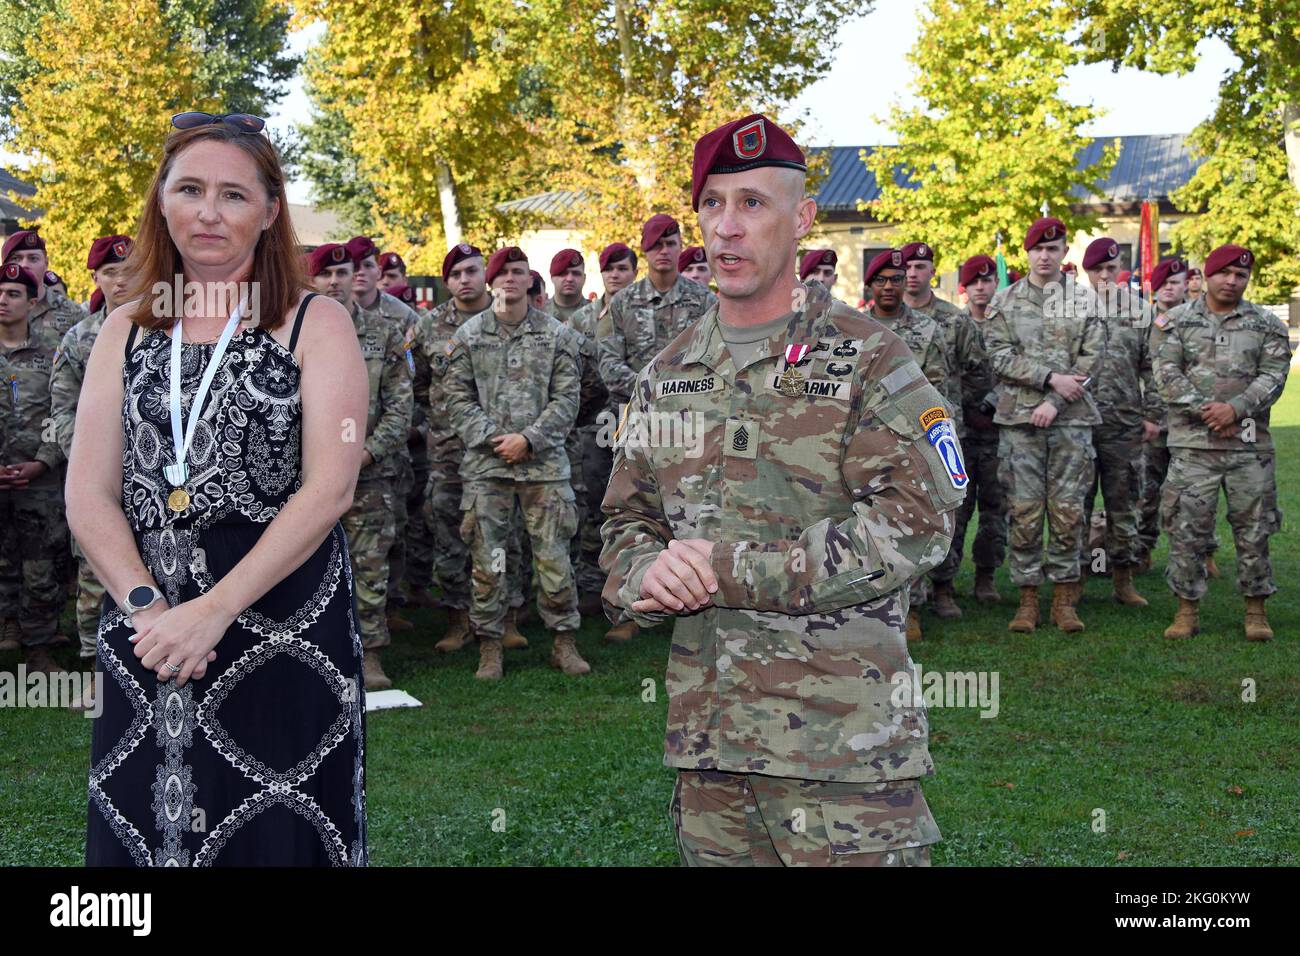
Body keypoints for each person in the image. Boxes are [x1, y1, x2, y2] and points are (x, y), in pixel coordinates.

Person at [603, 114, 962, 867]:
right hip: (712, 753)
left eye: (753, 204)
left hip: (843, 753)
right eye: (713, 205)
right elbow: (625, 522)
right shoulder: (669, 373)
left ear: (801, 219)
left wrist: (732, 570)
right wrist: (644, 573)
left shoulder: (868, 359)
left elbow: (918, 521)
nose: (726, 230)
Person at [71, 111, 368, 866]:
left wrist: (213, 611)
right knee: (144, 827)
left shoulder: (316, 321)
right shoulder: (124, 328)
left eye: (234, 196)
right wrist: (148, 609)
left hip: (280, 611)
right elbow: (88, 491)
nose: (208, 212)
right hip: (146, 617)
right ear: (160, 200)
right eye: (190, 189)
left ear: (270, 213)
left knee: (274, 832)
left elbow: (330, 488)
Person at [443, 246, 587, 680]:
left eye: (518, 272)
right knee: (491, 561)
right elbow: (456, 397)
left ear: (530, 280)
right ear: (492, 281)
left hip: (543, 468)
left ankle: (563, 641)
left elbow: (568, 398)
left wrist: (530, 439)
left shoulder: (557, 335)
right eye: (502, 272)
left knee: (554, 559)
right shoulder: (468, 336)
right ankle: (490, 646)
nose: (509, 278)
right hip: (488, 470)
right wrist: (494, 440)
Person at [1153, 244, 1289, 641]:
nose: (1232, 281)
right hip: (1194, 448)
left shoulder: (1266, 324)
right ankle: (1186, 610)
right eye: (1224, 273)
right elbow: (1165, 374)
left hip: (1249, 448)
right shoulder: (1173, 322)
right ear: (1207, 276)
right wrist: (1208, 412)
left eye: (1241, 275)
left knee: (1255, 529)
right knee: (1186, 530)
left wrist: (1236, 410)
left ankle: (1256, 610)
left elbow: (1274, 376)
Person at [983, 217, 1105, 634]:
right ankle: (1028, 598)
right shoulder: (1005, 301)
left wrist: (1055, 400)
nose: (1045, 255)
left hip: (1072, 423)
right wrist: (1049, 379)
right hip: (1020, 423)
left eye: (1053, 248)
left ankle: (1066, 600)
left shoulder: (1086, 302)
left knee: (1070, 512)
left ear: (1064, 251)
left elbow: (1093, 360)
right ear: (1027, 252)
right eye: (1038, 248)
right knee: (1024, 510)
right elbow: (997, 357)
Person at [308, 242, 412, 690]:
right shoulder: (288, 332)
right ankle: (314, 652)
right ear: (312, 281)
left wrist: (367, 451)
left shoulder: (385, 333)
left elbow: (401, 407)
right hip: (305, 479)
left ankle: (369, 655)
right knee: (306, 565)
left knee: (369, 565)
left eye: (342, 273)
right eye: (325, 275)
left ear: (355, 277)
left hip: (369, 474)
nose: (334, 282)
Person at [51, 234, 134, 710]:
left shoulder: (170, 328)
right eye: (111, 273)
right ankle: (97, 670)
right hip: (99, 482)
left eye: (129, 272)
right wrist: (88, 462)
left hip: (158, 480)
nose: (121, 281)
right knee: (95, 576)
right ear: (96, 279)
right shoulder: (80, 339)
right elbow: (62, 408)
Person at [861, 248, 952, 641]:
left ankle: (913, 607)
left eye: (895, 280)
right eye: (881, 280)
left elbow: (936, 390)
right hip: (864, 441)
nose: (889, 287)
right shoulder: (854, 329)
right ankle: (868, 603)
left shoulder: (928, 330)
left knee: (913, 521)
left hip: (913, 439)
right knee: (868, 523)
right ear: (870, 284)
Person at [900, 241, 988, 619]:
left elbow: (978, 372)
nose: (914, 272)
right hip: (899, 437)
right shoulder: (874, 321)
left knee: (951, 508)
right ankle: (906, 591)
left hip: (946, 434)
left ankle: (945, 586)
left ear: (933, 271)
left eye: (922, 265)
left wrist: (952, 406)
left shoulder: (954, 320)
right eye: (909, 266)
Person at [346, 235, 428, 630]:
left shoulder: (400, 321)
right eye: (350, 268)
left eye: (366, 266)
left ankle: (384, 617)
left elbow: (414, 385)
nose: (357, 275)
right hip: (320, 464)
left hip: (383, 458)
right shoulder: (302, 323)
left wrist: (373, 449)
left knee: (384, 539)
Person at [1079, 237, 1157, 608]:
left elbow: (1153, 368)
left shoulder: (1140, 311)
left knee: (1122, 504)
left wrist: (1153, 415)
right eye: (1098, 270)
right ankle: (1078, 576)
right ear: (1087, 272)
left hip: (1124, 425)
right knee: (1075, 504)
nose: (1106, 275)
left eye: (1111, 268)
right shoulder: (1070, 309)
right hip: (1077, 423)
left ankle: (1122, 579)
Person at [0, 262, 68, 675]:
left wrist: (42, 461)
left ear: (31, 302)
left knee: (41, 566)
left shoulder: (51, 355)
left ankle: (39, 649)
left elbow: (63, 412)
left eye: (13, 294)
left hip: (40, 481)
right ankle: (8, 628)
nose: (3, 301)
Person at [571, 242, 639, 638]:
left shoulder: (637, 310)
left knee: (636, 511)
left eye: (622, 268)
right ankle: (596, 590)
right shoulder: (584, 318)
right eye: (608, 269)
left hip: (646, 423)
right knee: (596, 507)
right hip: (597, 424)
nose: (615, 274)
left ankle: (630, 600)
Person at [929, 254, 1005, 605]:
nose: (980, 287)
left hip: (994, 428)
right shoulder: (952, 322)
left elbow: (1002, 375)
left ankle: (986, 575)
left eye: (987, 280)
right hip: (957, 429)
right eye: (973, 281)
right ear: (964, 286)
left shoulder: (1008, 322)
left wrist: (989, 404)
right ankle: (945, 583)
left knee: (994, 505)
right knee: (956, 511)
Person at [596, 213, 716, 414]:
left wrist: (677, 391)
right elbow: (609, 365)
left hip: (690, 415)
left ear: (680, 246)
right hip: (636, 414)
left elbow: (715, 360)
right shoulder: (622, 302)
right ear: (644, 248)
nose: (664, 251)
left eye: (670, 243)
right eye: (656, 245)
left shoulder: (705, 301)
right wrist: (651, 389)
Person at [2, 228, 86, 338]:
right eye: (16, 258)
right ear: (4, 265)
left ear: (46, 263)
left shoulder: (73, 313)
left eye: (33, 258)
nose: (24, 265)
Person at [545, 249, 588, 322]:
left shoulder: (598, 313)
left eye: (576, 273)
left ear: (584, 278)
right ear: (552, 277)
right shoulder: (539, 312)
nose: (569, 279)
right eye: (563, 273)